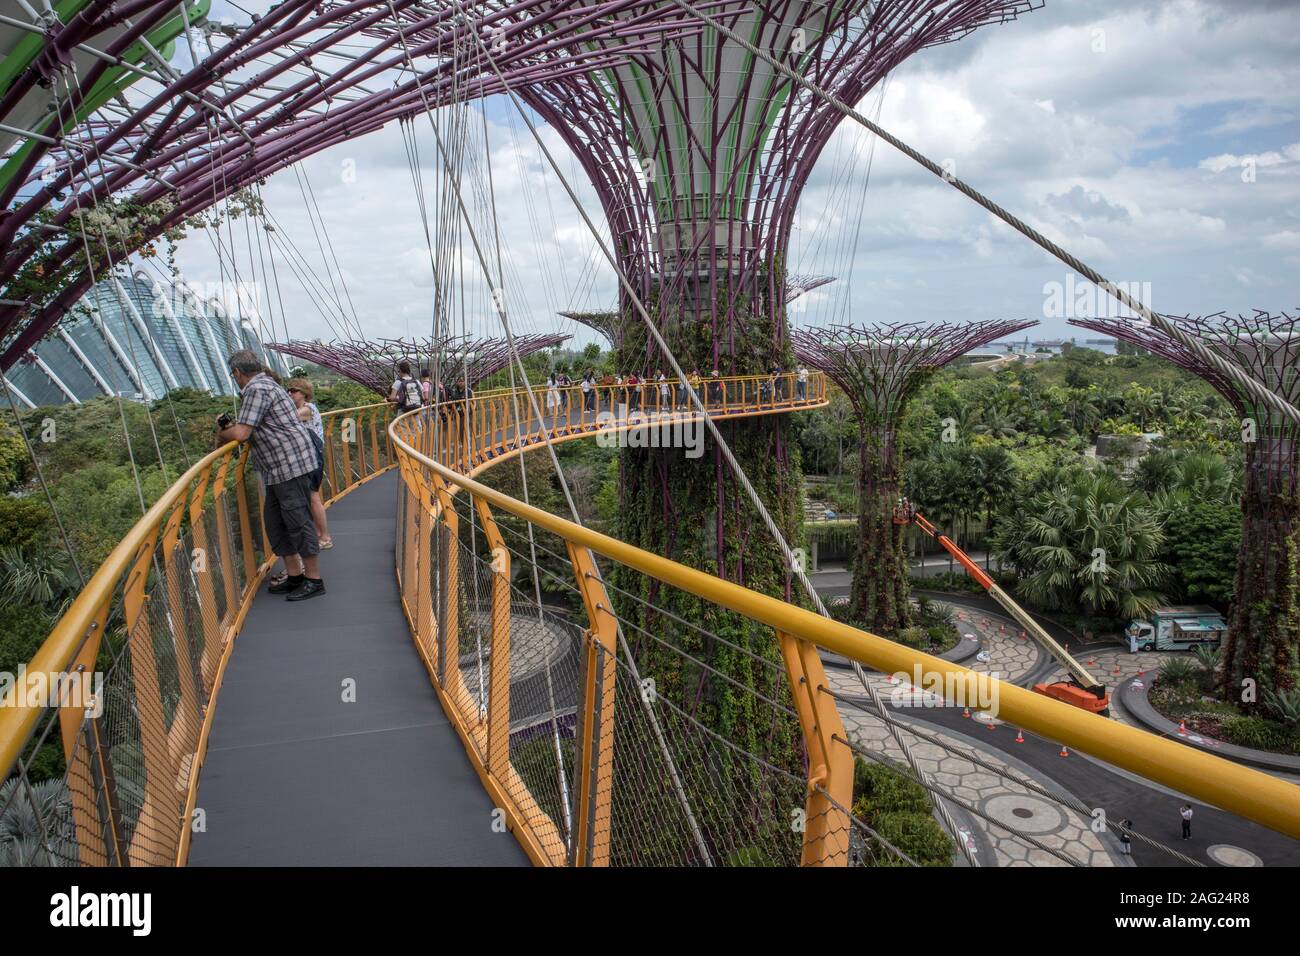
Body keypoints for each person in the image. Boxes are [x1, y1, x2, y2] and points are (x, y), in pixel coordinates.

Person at [217, 350, 324, 601]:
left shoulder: (256, 389)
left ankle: (314, 579)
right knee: (276, 522)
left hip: (289, 465)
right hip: (278, 467)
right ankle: (295, 575)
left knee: (297, 520)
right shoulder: (269, 384)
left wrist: (223, 433)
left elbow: (242, 433)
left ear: (237, 372)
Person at [286, 377, 331, 550]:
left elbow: (290, 419)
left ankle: (325, 537)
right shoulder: (300, 408)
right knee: (310, 497)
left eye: (294, 390)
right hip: (306, 458)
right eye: (289, 390)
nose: (290, 393)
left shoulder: (308, 409)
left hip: (312, 458)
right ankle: (319, 536)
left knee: (313, 498)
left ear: (304, 393)